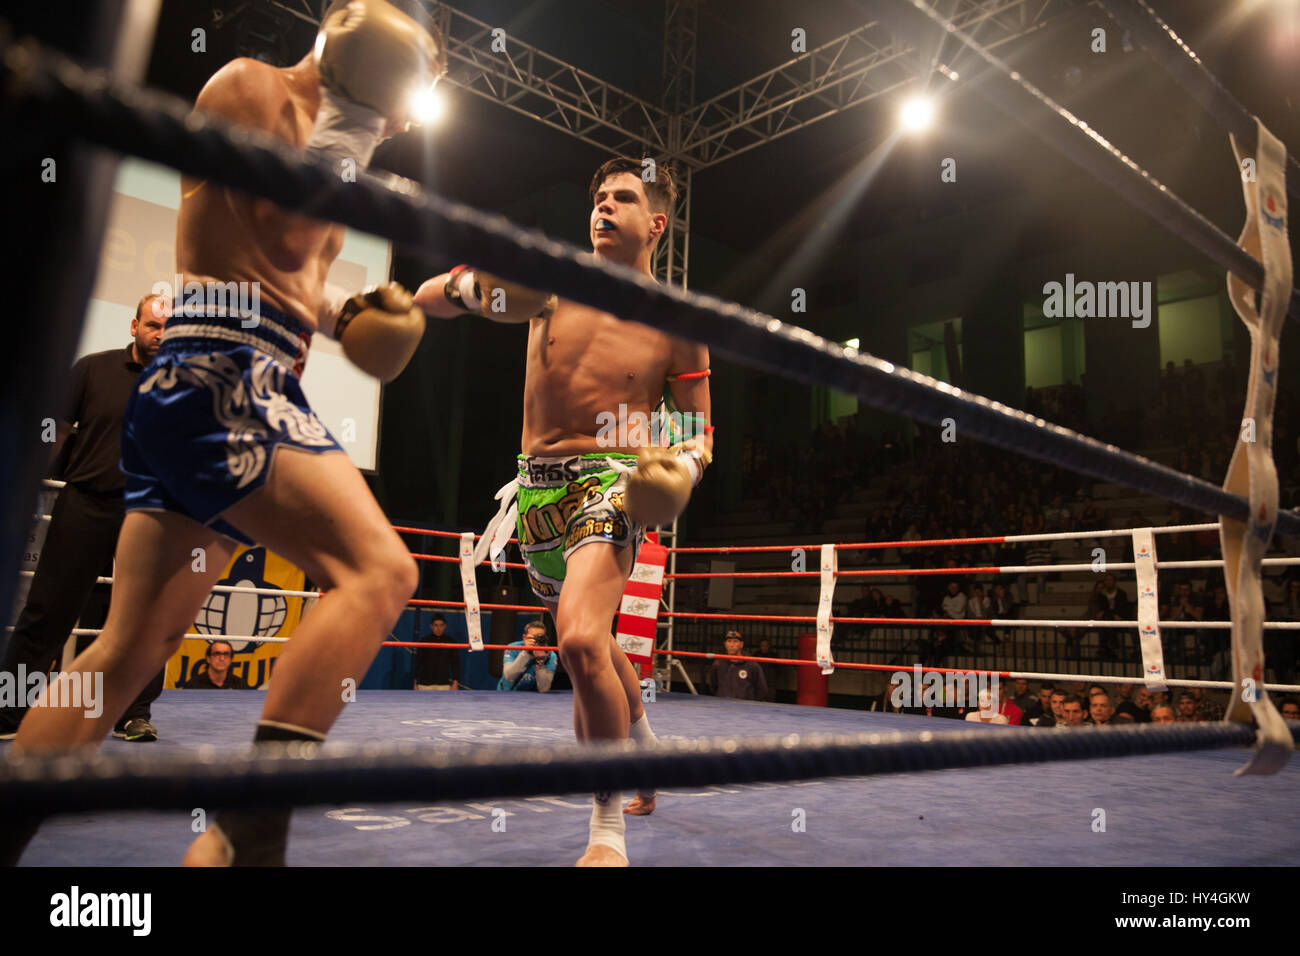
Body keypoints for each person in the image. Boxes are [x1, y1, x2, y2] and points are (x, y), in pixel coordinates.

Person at [2, 0, 446, 867]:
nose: (396, 118)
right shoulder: (249, 87)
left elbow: (293, 276)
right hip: (218, 374)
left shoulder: (336, 144)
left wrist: (348, 314)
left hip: (244, 379)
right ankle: (248, 828)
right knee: (381, 570)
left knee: (131, 647)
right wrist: (353, 129)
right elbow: (277, 229)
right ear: (347, 24)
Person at [416, 157, 709, 865]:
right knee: (598, 644)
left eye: (623, 199)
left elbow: (699, 430)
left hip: (614, 482)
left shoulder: (680, 323)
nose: (604, 208)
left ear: (656, 223)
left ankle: (606, 832)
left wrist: (684, 468)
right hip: (535, 496)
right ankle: (648, 757)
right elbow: (433, 298)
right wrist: (447, 288)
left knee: (578, 640)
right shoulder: (546, 284)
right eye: (599, 197)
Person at [0, 294, 170, 744]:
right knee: (47, 610)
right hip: (86, 502)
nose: (160, 335)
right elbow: (53, 429)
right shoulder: (92, 368)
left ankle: (132, 714)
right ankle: (9, 710)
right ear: (134, 327)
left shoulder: (181, 384)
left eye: (168, 329)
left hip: (149, 514)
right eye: (153, 325)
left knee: (146, 619)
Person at [707, 631, 769, 702]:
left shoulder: (751, 664)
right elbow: (713, 686)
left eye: (735, 641)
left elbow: (762, 689)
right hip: (723, 706)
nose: (732, 645)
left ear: (741, 644)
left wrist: (751, 705)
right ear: (725, 644)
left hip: (745, 708)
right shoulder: (718, 664)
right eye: (729, 641)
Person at [498, 621, 558, 692]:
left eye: (540, 637)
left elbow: (544, 689)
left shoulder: (550, 655)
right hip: (507, 694)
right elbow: (509, 677)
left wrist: (540, 661)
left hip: (534, 698)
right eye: (533, 637)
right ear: (524, 637)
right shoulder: (513, 647)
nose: (536, 641)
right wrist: (525, 652)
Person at [414, 613, 459, 690]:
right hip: (425, 684)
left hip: (444, 684)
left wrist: (455, 682)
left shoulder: (451, 642)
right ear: (431, 626)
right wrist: (414, 682)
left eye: (441, 625)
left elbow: (455, 663)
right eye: (436, 625)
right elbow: (417, 663)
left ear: (445, 626)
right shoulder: (424, 641)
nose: (439, 628)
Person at [182, 641, 249, 689]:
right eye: (217, 654)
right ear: (208, 658)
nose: (222, 658)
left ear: (231, 659)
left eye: (226, 654)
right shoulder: (193, 686)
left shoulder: (240, 685)